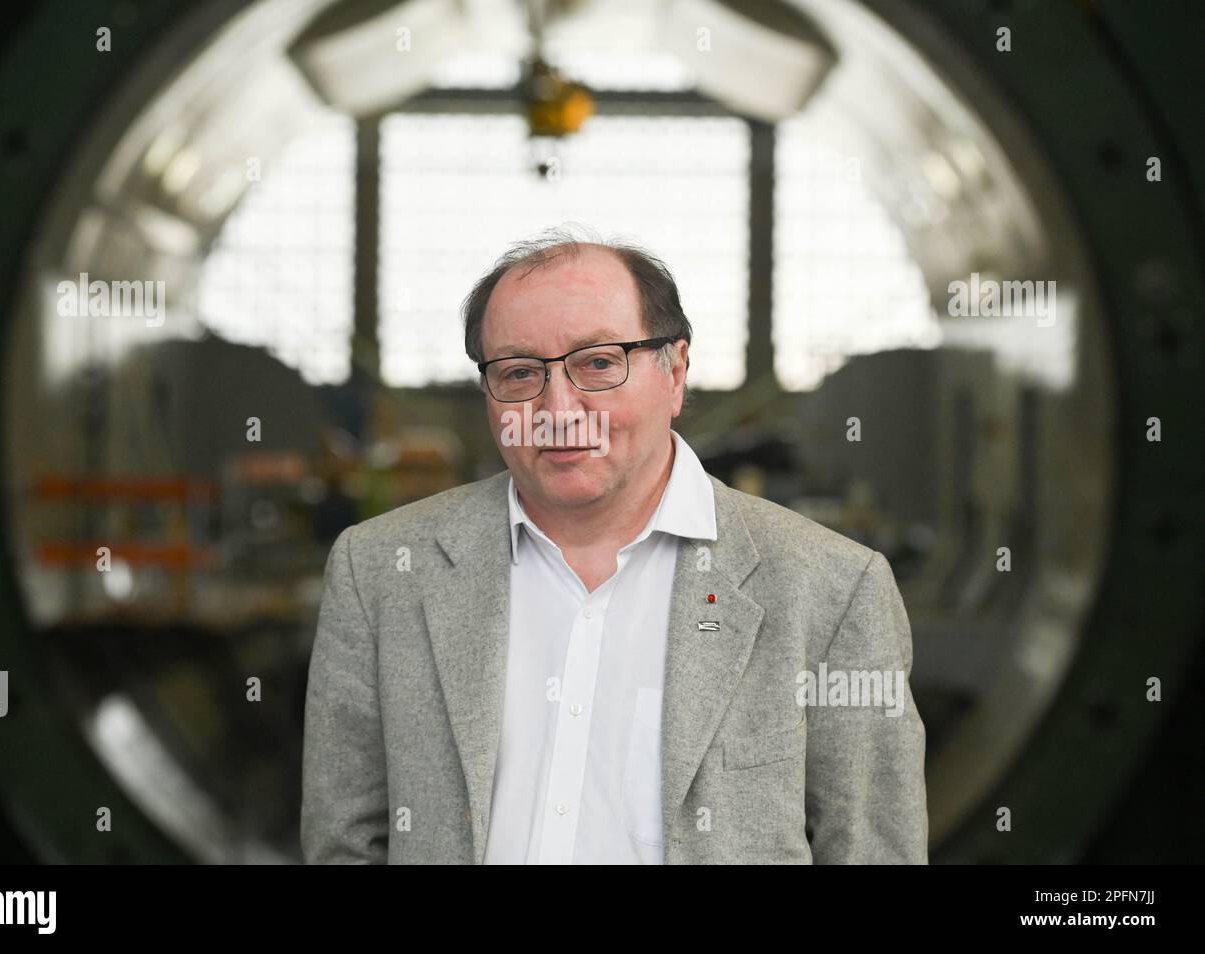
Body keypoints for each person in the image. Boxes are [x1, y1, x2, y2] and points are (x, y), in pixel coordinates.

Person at [301, 226, 928, 864]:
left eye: (599, 363)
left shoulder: (833, 590)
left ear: (676, 372)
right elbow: (344, 843)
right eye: (520, 373)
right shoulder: (378, 571)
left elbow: (875, 853)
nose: (560, 408)